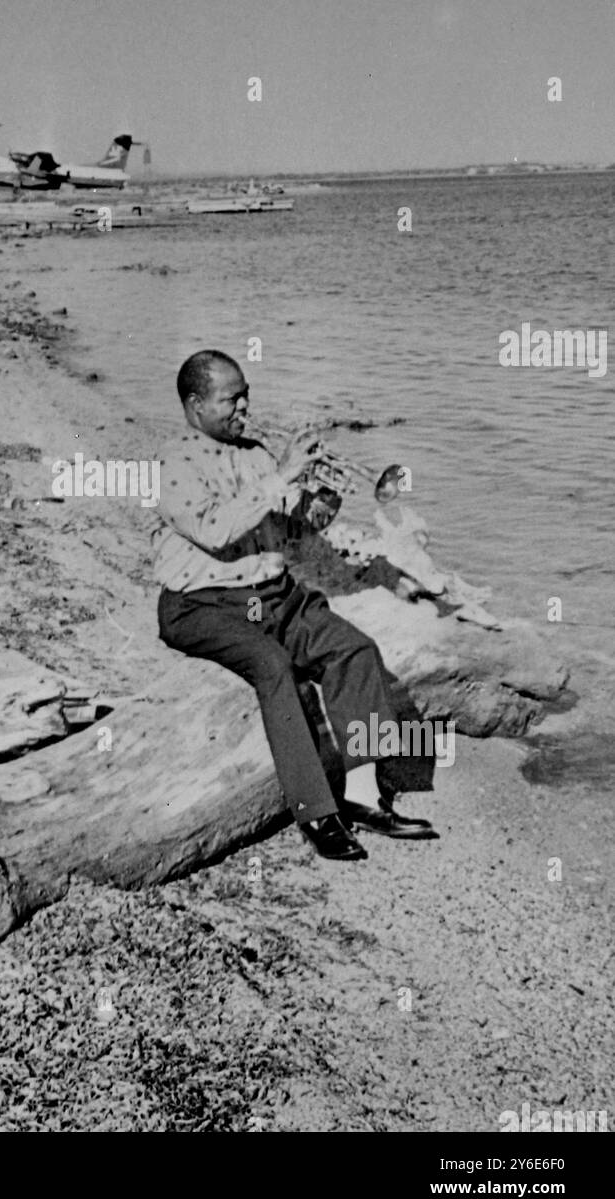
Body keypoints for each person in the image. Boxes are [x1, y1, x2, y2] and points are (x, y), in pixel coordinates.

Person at [153, 349, 438, 861]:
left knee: (355, 649)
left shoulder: (257, 455)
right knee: (273, 666)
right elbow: (214, 530)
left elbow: (291, 532)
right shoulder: (171, 463)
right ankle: (314, 811)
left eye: (246, 396)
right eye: (230, 400)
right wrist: (282, 475)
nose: (243, 408)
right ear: (195, 405)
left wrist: (322, 502)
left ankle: (363, 796)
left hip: (271, 597)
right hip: (201, 604)